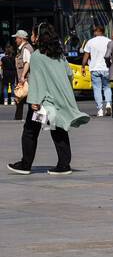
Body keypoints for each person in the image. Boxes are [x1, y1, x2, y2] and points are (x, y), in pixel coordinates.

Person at [7, 22, 89, 175]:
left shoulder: (37, 56)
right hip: (58, 99)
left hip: (43, 102)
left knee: (30, 130)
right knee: (58, 129)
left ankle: (25, 164)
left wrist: (34, 102)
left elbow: (37, 80)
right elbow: (69, 74)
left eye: (33, 34)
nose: (32, 37)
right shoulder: (59, 55)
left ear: (39, 36)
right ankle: (64, 165)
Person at [80, 25, 112, 117]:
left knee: (97, 89)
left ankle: (100, 110)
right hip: (106, 68)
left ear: (97, 32)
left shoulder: (90, 42)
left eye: (94, 31)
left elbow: (86, 55)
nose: (93, 33)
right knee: (107, 87)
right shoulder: (108, 41)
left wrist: (83, 66)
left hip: (95, 68)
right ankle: (108, 104)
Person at [12, 29, 32, 121]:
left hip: (26, 79)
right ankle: (18, 117)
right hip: (24, 79)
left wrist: (23, 76)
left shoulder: (26, 49)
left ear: (21, 38)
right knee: (20, 98)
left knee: (29, 99)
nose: (15, 40)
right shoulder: (22, 49)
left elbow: (27, 62)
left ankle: (31, 119)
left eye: (16, 38)